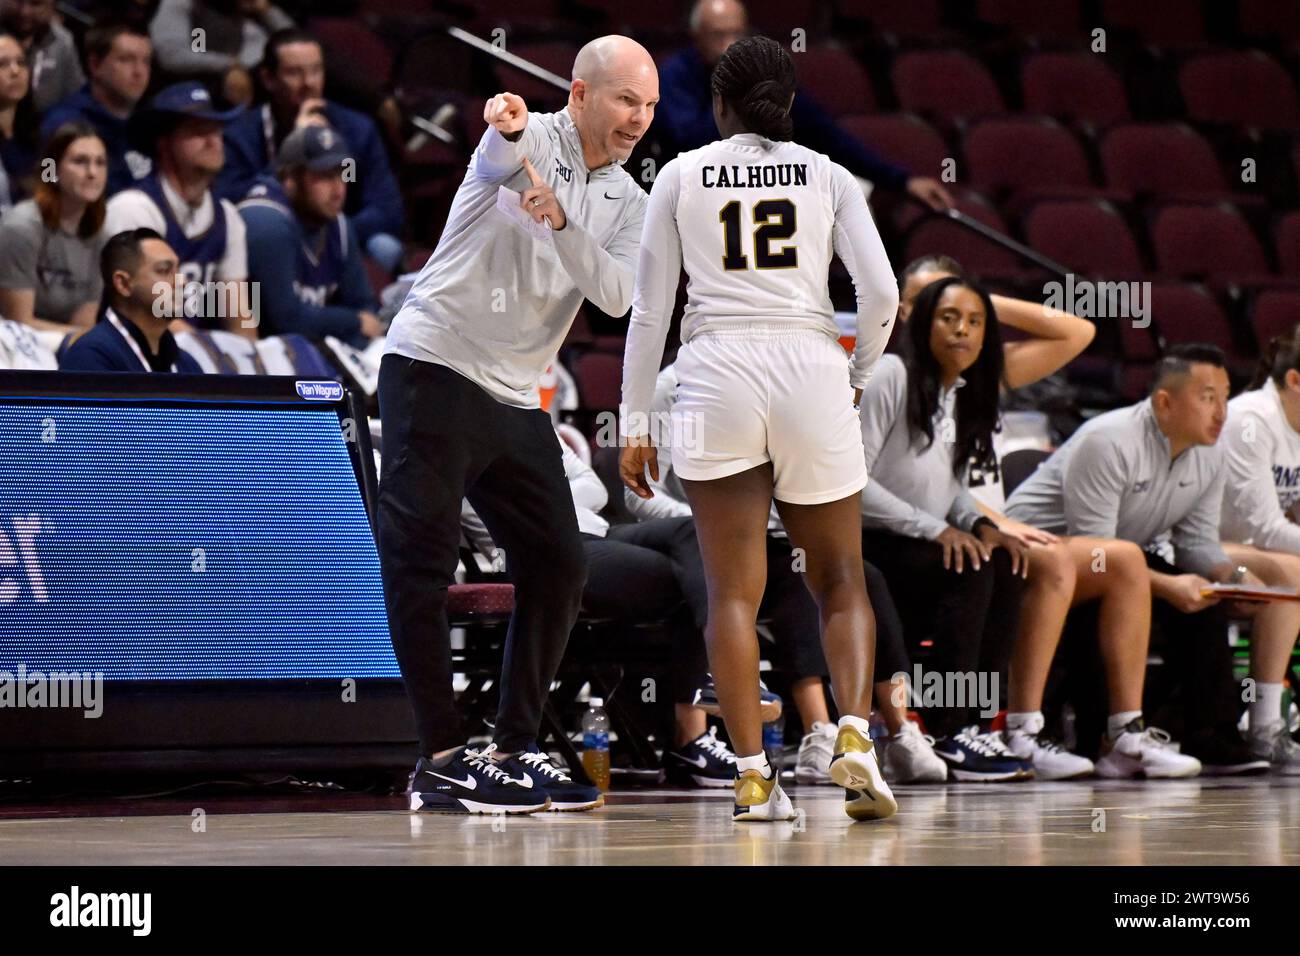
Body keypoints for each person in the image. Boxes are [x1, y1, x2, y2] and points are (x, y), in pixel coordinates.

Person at [621, 36, 899, 822]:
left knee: (732, 595)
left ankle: (752, 776)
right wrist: (857, 376)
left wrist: (637, 420)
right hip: (809, 363)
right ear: (790, 102)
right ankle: (851, 735)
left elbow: (650, 312)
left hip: (715, 372)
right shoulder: (830, 174)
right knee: (841, 579)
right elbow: (880, 295)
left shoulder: (678, 175)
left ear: (718, 104)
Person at [380, 36, 658, 814]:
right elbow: (502, 149)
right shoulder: (531, 132)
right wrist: (503, 127)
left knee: (559, 565)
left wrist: (566, 222)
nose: (637, 118)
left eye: (648, 105)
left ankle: (513, 745)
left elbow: (614, 297)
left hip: (511, 395)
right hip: (434, 365)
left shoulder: (633, 203)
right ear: (578, 94)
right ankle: (439, 757)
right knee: (421, 565)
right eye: (624, 99)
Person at [626, 361, 946, 784]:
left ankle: (900, 730)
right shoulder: (675, 386)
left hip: (762, 535)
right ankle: (821, 731)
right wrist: (717, 525)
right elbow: (641, 498)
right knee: (794, 578)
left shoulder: (780, 376)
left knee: (861, 578)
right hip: (681, 533)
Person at [1005, 344, 1272, 775]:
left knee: (1203, 598)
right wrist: (1168, 586)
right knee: (1139, 592)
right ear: (1164, 403)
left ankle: (1212, 735)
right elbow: (1098, 555)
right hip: (1042, 560)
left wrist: (1233, 576)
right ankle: (1103, 739)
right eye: (1208, 398)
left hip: (1117, 559)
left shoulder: (1210, 452)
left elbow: (1197, 544)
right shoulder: (1109, 441)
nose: (1222, 412)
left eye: (1225, 397)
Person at [461, 429, 740, 788]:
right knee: (696, 573)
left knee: (694, 534)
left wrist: (546, 500)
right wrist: (554, 502)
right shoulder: (467, 429)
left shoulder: (528, 415)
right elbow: (485, 505)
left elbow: (594, 486)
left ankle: (711, 679)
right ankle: (692, 737)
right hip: (543, 550)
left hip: (598, 532)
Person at [657, 0, 952, 211]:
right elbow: (690, 141)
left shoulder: (764, 73)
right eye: (718, 35)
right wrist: (741, 93)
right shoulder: (675, 76)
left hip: (762, 185)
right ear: (696, 36)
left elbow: (828, 135)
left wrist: (902, 181)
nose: (730, 44)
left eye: (737, 33)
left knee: (851, 190)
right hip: (701, 192)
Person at [217, 28, 403, 271]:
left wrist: (331, 233)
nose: (309, 83)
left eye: (316, 71)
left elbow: (387, 209)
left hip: (343, 235)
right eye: (295, 73)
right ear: (268, 79)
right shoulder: (240, 134)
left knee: (386, 247)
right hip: (273, 238)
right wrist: (293, 147)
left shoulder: (357, 128)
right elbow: (233, 204)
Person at [106, 81, 252, 335]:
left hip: (193, 359)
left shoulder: (229, 217)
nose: (213, 141)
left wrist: (250, 361)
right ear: (164, 144)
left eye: (216, 131)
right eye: (198, 132)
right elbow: (143, 313)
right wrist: (209, 353)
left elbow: (241, 317)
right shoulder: (133, 209)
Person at [1218, 326, 1300, 773]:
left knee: (1290, 572)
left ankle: (1268, 722)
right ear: (1294, 380)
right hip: (1195, 545)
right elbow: (1265, 528)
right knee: (1290, 573)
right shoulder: (1251, 421)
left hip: (1253, 550)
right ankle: (1265, 726)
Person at [237, 124, 382, 345]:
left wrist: (357, 323)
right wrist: (353, 322)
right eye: (324, 176)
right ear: (290, 178)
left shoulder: (337, 223)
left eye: (342, 174)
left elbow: (365, 305)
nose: (338, 190)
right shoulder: (265, 221)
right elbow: (286, 320)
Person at [0, 122, 106, 332]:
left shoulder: (99, 234)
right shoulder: (21, 227)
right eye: (80, 161)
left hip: (60, 347)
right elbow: (18, 323)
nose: (92, 172)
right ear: (52, 169)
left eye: (100, 162)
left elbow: (83, 324)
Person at [60, 227, 203, 373]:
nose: (182, 282)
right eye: (164, 270)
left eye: (178, 270)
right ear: (123, 284)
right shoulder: (90, 356)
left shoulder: (187, 365)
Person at [40, 22, 153, 194]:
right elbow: (49, 187)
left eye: (146, 61)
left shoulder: (149, 126)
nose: (139, 71)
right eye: (126, 60)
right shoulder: (65, 123)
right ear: (95, 65)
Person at [149, 0, 293, 106]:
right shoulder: (182, 4)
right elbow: (170, 55)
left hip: (243, 104)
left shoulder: (247, 14)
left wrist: (266, 10)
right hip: (186, 99)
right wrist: (229, 65)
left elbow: (296, 44)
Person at [1, 0, 84, 113]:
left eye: (36, 4)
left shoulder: (62, 41)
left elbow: (75, 95)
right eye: (18, 1)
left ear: (53, 6)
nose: (25, 12)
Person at [0, 28, 36, 210]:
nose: (15, 71)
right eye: (2, 64)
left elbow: (51, 181)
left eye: (21, 63)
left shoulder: (43, 133)